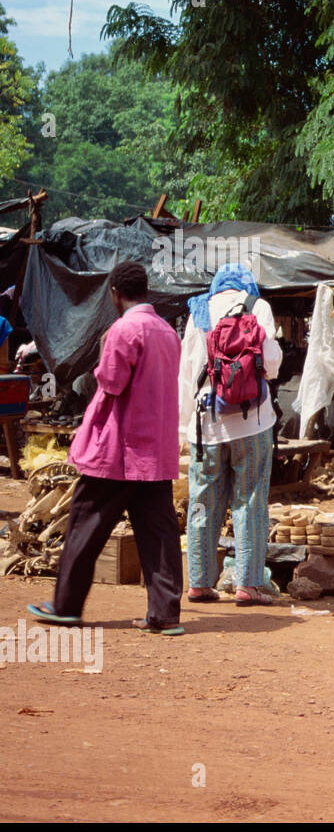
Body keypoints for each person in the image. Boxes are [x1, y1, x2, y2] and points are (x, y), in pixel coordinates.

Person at [27, 262, 185, 634]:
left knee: (85, 523)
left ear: (115, 292)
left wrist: (100, 359)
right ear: (145, 291)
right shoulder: (167, 331)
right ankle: (165, 615)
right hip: (155, 452)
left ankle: (66, 606)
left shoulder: (124, 330)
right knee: (159, 533)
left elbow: (112, 384)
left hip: (117, 449)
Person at [178, 262, 283, 606]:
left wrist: (183, 427)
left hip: (205, 421)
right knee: (250, 499)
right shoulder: (258, 307)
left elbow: (187, 371)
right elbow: (271, 361)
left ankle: (199, 582)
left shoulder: (199, 310)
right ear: (247, 284)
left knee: (203, 500)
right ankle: (248, 584)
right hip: (251, 420)